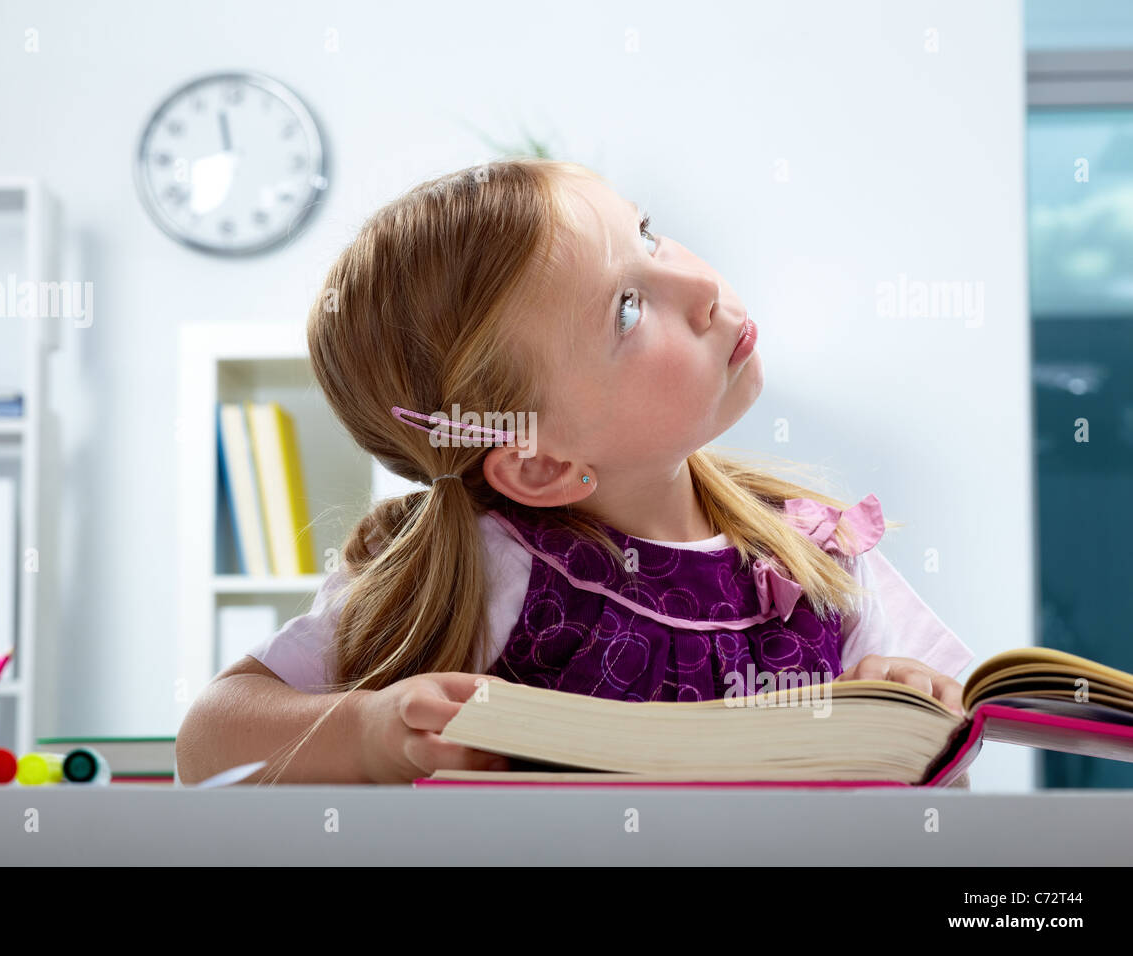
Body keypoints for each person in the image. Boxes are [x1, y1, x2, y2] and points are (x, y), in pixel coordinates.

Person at [175, 157, 974, 787]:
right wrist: (370, 732)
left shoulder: (816, 547)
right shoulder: (497, 572)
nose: (699, 286)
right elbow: (210, 737)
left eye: (649, 234)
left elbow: (955, 744)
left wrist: (911, 704)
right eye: (627, 309)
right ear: (542, 464)